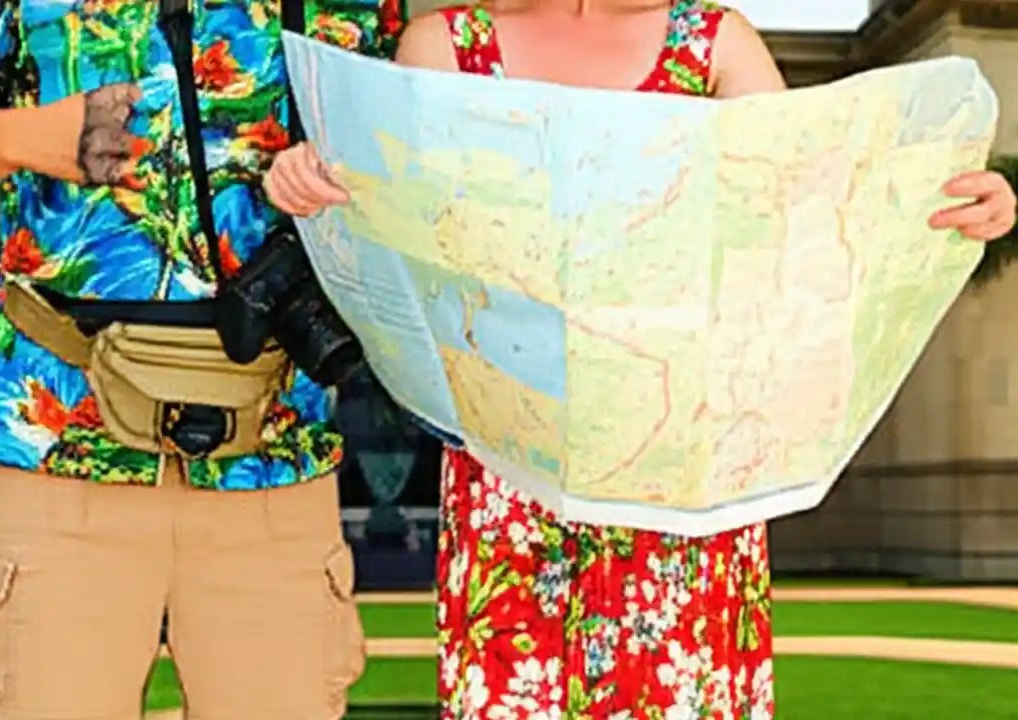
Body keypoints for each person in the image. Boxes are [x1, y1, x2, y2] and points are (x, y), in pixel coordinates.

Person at [264, 0, 1018, 717]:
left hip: (682, 487)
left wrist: (946, 206)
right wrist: (310, 183)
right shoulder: (444, 46)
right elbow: (391, 225)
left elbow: (808, 222)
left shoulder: (716, 42)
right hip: (512, 486)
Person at [0, 0, 404, 718]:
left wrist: (349, 180)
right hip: (59, 460)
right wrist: (29, 136)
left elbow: (419, 166)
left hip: (274, 464)